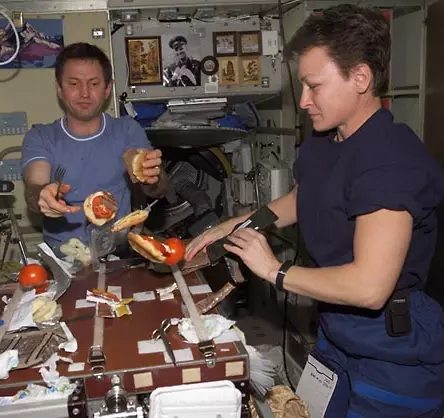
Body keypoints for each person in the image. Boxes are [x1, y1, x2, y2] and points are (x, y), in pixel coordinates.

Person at [185, 5, 444, 417]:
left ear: (360, 77)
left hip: (393, 347)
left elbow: (369, 287)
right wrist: (233, 227)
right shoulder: (329, 140)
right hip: (336, 329)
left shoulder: (390, 160)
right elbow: (300, 200)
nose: (304, 101)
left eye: (314, 86)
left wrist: (273, 271)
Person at [22, 43, 167, 255]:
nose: (84, 93)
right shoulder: (41, 136)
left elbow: (157, 187)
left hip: (119, 252)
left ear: (107, 89)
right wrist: (42, 196)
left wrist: (153, 176)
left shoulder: (126, 130)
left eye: (94, 83)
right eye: (74, 83)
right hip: (64, 256)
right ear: (59, 88)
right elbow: (35, 185)